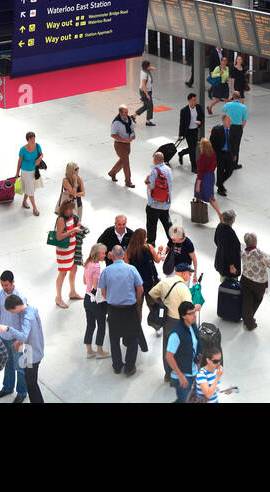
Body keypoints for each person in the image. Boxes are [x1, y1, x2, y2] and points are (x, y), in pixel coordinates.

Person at [99, 245, 144, 376]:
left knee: (114, 339)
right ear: (124, 255)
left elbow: (103, 291)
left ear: (112, 256)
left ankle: (117, 366)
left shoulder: (106, 271)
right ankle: (130, 367)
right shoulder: (132, 269)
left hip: (113, 310)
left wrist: (112, 299)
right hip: (130, 310)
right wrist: (134, 300)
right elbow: (140, 289)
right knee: (132, 339)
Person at [3, 295, 45, 403]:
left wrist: (8, 328)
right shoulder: (28, 307)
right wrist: (19, 341)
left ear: (16, 307)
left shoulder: (28, 317)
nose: (13, 314)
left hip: (33, 353)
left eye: (12, 311)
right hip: (29, 350)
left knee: (31, 384)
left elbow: (23, 336)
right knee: (29, 380)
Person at [0, 271, 26, 401]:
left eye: (6, 285)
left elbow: (25, 321)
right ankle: (7, 388)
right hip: (4, 336)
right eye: (2, 285)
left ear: (13, 283)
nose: (4, 288)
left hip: (16, 338)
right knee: (8, 363)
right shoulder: (0, 294)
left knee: (21, 366)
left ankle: (22, 392)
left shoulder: (20, 298)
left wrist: (20, 339)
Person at [164, 301, 201, 402]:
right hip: (182, 376)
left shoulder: (192, 326)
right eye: (191, 313)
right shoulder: (176, 334)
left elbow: (195, 346)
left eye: (195, 312)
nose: (195, 315)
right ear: (183, 316)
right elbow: (169, 357)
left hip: (193, 371)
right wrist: (180, 375)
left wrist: (197, 362)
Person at [53, 199, 84, 308]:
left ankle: (72, 292)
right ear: (64, 209)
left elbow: (77, 220)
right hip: (64, 251)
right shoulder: (61, 220)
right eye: (69, 209)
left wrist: (78, 224)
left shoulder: (72, 216)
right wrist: (72, 231)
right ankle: (58, 297)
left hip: (72, 249)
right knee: (63, 273)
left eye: (72, 208)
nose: (71, 211)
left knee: (74, 268)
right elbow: (59, 236)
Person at [82, 243, 109, 358]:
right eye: (103, 253)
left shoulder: (88, 263)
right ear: (97, 254)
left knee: (90, 325)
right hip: (95, 300)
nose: (105, 255)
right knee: (101, 325)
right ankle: (100, 350)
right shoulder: (97, 266)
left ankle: (89, 349)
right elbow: (96, 285)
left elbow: (84, 281)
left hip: (87, 298)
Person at [145, 150, 174, 243]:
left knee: (152, 225)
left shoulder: (155, 171)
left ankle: (151, 242)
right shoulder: (168, 169)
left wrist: (147, 182)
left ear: (155, 159)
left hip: (154, 204)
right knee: (167, 224)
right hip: (165, 202)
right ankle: (173, 241)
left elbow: (152, 187)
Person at [194, 138, 224, 222]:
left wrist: (198, 185)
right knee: (211, 197)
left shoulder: (201, 158)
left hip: (203, 178)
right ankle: (219, 213)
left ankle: (198, 214)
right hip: (211, 176)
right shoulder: (213, 154)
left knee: (198, 194)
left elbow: (200, 173)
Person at [106, 105, 136, 187]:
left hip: (127, 144)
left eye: (127, 112)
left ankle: (112, 172)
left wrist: (133, 135)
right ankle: (128, 181)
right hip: (119, 145)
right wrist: (124, 139)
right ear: (120, 113)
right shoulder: (116, 122)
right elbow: (113, 135)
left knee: (122, 161)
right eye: (125, 112)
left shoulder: (129, 119)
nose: (127, 114)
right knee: (126, 162)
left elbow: (132, 130)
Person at [15, 131, 43, 215]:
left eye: (34, 139)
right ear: (28, 140)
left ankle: (24, 202)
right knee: (30, 189)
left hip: (34, 170)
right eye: (32, 140)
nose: (33, 141)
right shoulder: (23, 149)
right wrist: (17, 173)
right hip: (25, 171)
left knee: (29, 188)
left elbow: (41, 154)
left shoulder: (37, 146)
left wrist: (39, 159)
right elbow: (19, 162)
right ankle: (35, 209)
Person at [222, 90, 248, 170]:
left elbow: (223, 110)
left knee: (228, 145)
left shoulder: (228, 105)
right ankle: (234, 164)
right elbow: (244, 120)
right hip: (238, 128)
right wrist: (241, 127)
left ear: (232, 97)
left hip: (229, 127)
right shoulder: (243, 107)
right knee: (236, 146)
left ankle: (227, 163)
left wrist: (229, 100)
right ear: (240, 97)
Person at [176, 93, 204, 166]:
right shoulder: (184, 110)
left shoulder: (198, 107)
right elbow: (182, 123)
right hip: (188, 132)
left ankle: (181, 153)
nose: (195, 101)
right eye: (193, 100)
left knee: (193, 148)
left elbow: (202, 117)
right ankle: (194, 166)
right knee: (192, 150)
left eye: (195, 100)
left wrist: (200, 122)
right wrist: (180, 135)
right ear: (189, 100)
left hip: (195, 130)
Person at [210, 114, 234, 197]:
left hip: (228, 153)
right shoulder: (217, 130)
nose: (230, 123)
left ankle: (219, 183)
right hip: (220, 153)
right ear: (223, 121)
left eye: (230, 121)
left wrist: (234, 154)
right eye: (228, 121)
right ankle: (220, 188)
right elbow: (211, 142)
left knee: (230, 170)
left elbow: (233, 143)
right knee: (220, 170)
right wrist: (216, 153)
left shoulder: (231, 130)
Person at [212, 211, 239, 281]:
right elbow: (231, 251)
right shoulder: (231, 233)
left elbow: (215, 240)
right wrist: (232, 266)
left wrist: (222, 248)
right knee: (230, 281)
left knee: (222, 277)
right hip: (228, 264)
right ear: (232, 221)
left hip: (220, 258)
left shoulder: (220, 226)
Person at [138, 59, 156, 126]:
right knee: (150, 106)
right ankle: (148, 121)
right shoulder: (144, 74)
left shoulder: (145, 70)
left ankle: (134, 116)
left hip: (148, 90)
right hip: (145, 91)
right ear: (146, 67)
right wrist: (147, 94)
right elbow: (143, 85)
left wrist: (150, 67)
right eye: (149, 65)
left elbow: (154, 68)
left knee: (146, 106)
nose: (150, 66)